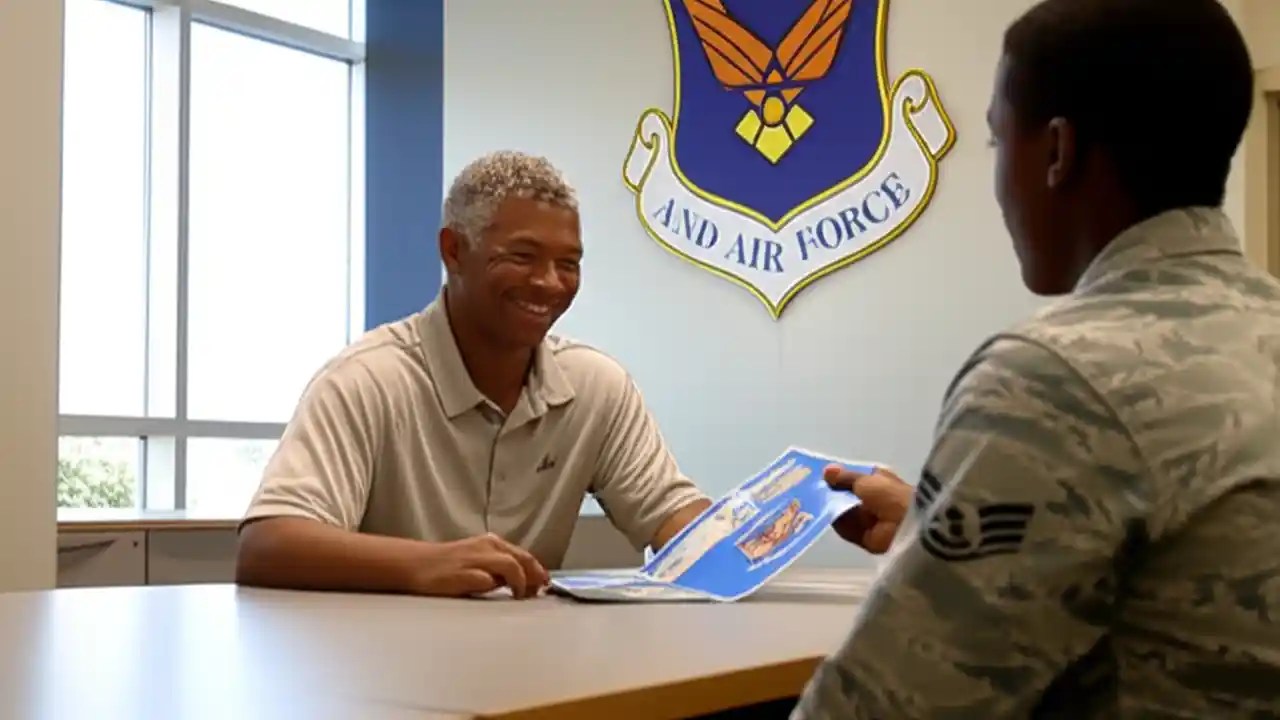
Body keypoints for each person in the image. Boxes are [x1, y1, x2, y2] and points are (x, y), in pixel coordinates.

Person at [796, 0, 1280, 716]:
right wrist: (940, 529)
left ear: (1057, 152)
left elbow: (880, 708)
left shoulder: (1054, 378)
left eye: (998, 141)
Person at [235, 151, 711, 599]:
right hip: (385, 653)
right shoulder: (367, 380)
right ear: (454, 251)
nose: (550, 282)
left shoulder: (596, 386)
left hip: (535, 654)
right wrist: (425, 565)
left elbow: (674, 516)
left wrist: (740, 538)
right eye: (522, 257)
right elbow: (268, 545)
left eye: (568, 264)